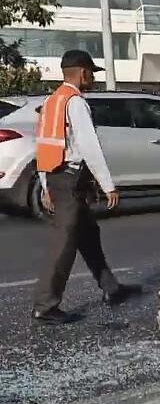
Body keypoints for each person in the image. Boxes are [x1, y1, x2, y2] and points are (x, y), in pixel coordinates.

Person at [32, 49, 141, 325]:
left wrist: (46, 185)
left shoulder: (53, 101)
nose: (92, 78)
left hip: (58, 178)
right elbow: (89, 147)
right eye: (91, 72)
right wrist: (108, 185)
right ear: (82, 73)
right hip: (70, 180)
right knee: (64, 242)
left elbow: (44, 145)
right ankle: (45, 306)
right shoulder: (75, 103)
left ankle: (111, 288)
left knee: (88, 235)